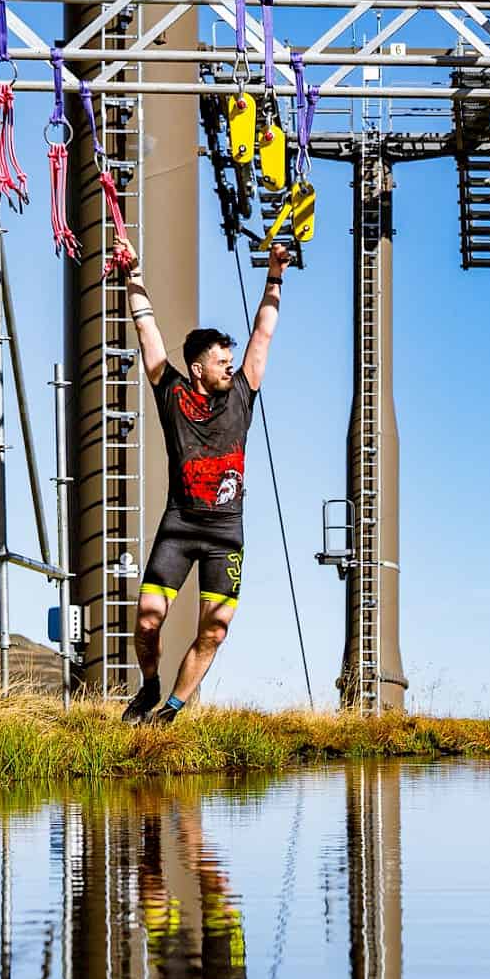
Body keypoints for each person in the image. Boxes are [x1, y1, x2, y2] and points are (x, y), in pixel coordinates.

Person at [118, 236, 292, 725]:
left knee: (214, 631)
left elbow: (264, 334)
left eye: (229, 360)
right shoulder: (171, 392)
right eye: (220, 361)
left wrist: (275, 275)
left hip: (224, 533)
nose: (229, 366)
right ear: (197, 368)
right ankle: (149, 687)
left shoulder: (241, 393)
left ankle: (170, 711)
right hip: (180, 526)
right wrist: (133, 275)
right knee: (148, 620)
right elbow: (147, 332)